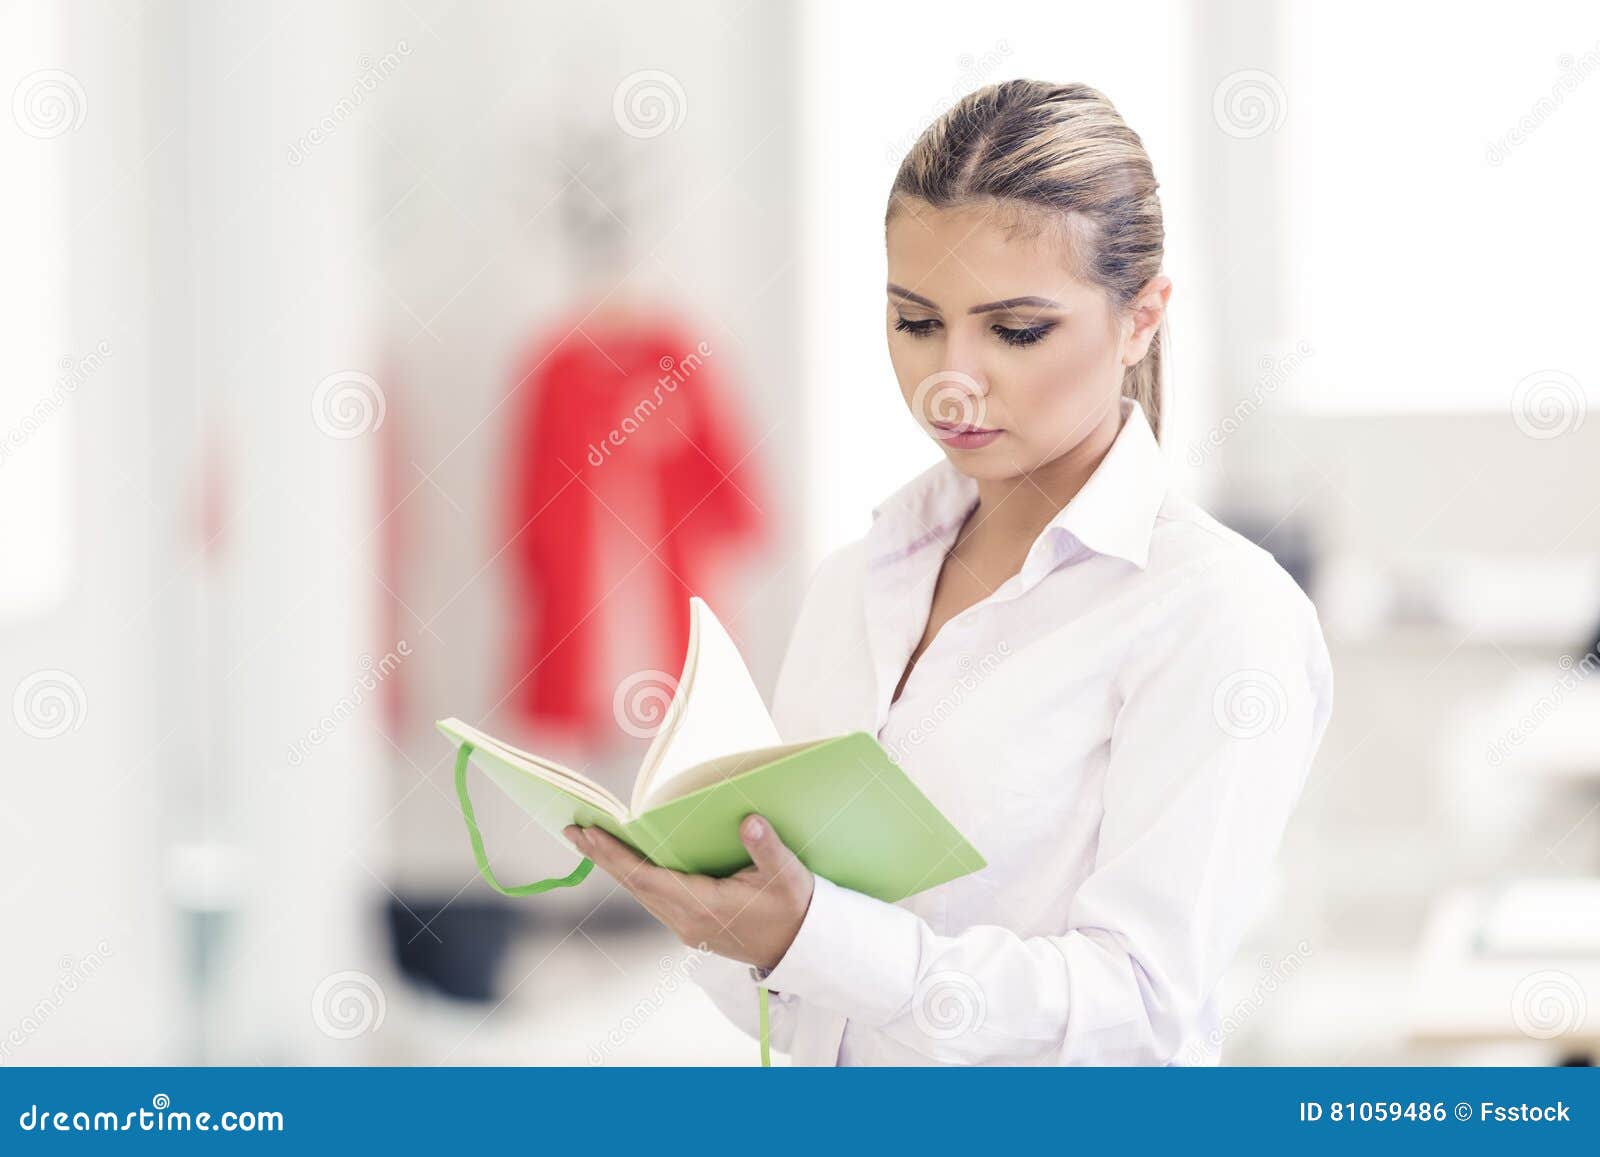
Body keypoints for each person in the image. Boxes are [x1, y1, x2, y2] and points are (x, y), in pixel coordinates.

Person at [566, 78, 1333, 1065]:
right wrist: (740, 924)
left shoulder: (1216, 612)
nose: (950, 382)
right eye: (917, 322)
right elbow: (796, 1009)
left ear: (1141, 317)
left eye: (1014, 331)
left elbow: (1140, 1016)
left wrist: (818, 939)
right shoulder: (855, 583)